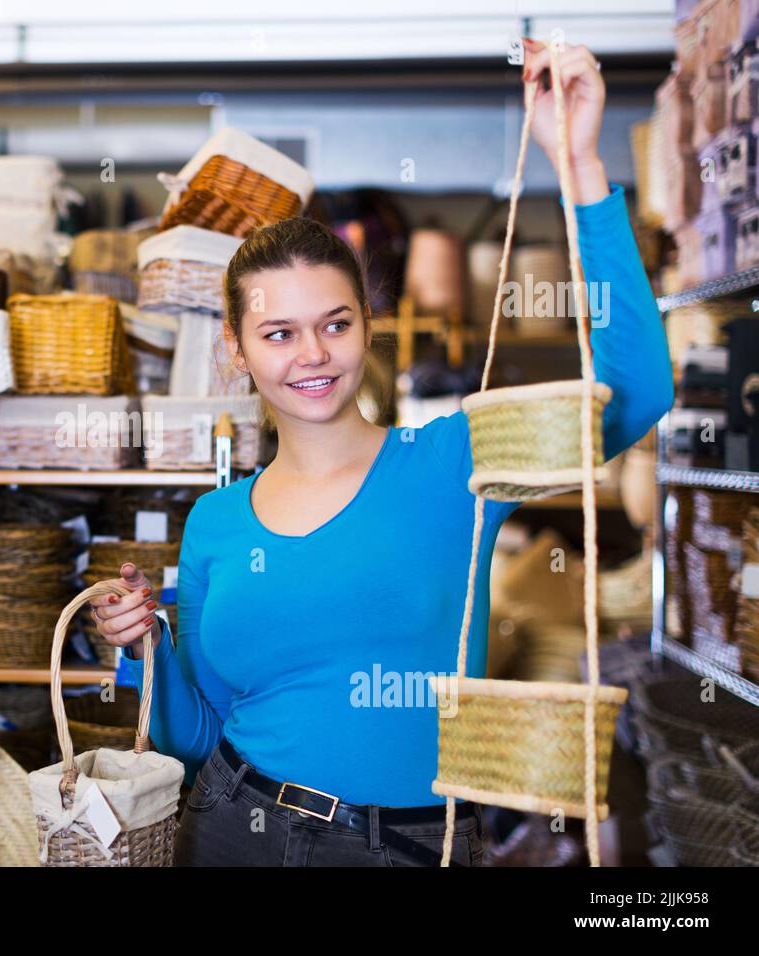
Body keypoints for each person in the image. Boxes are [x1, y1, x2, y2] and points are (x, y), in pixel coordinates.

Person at [86, 38, 675, 867]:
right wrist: (143, 644)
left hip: (403, 847)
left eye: (335, 324)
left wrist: (576, 162)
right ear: (238, 350)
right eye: (279, 333)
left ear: (368, 321)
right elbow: (194, 733)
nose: (312, 355)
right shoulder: (216, 521)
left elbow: (640, 387)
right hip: (230, 826)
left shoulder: (455, 463)